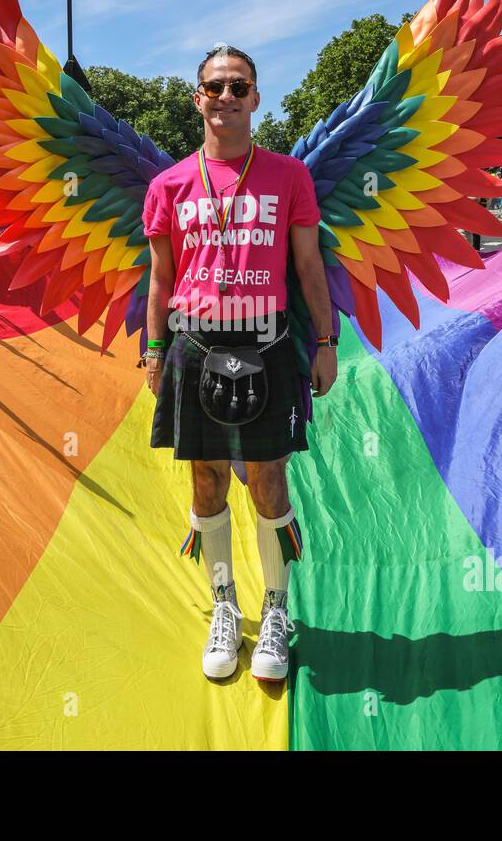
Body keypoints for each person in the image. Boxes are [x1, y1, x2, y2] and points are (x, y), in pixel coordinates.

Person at [142, 45, 336, 684]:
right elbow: (162, 278)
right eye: (214, 87)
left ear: (256, 98)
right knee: (205, 481)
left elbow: (309, 265)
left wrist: (325, 342)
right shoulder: (168, 184)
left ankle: (275, 610)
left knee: (268, 480)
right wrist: (151, 350)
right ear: (197, 98)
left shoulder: (289, 176)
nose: (225, 97)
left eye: (238, 87)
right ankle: (224, 606)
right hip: (193, 345)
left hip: (268, 343)